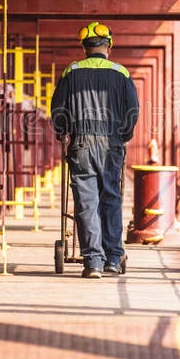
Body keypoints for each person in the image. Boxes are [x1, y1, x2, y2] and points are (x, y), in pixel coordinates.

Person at [51, 21, 139, 278]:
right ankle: (113, 258)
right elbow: (132, 110)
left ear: (84, 47)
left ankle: (93, 263)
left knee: (86, 202)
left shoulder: (72, 71)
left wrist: (62, 131)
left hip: (81, 142)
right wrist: (124, 135)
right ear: (108, 45)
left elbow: (58, 108)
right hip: (111, 142)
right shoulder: (121, 73)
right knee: (111, 198)